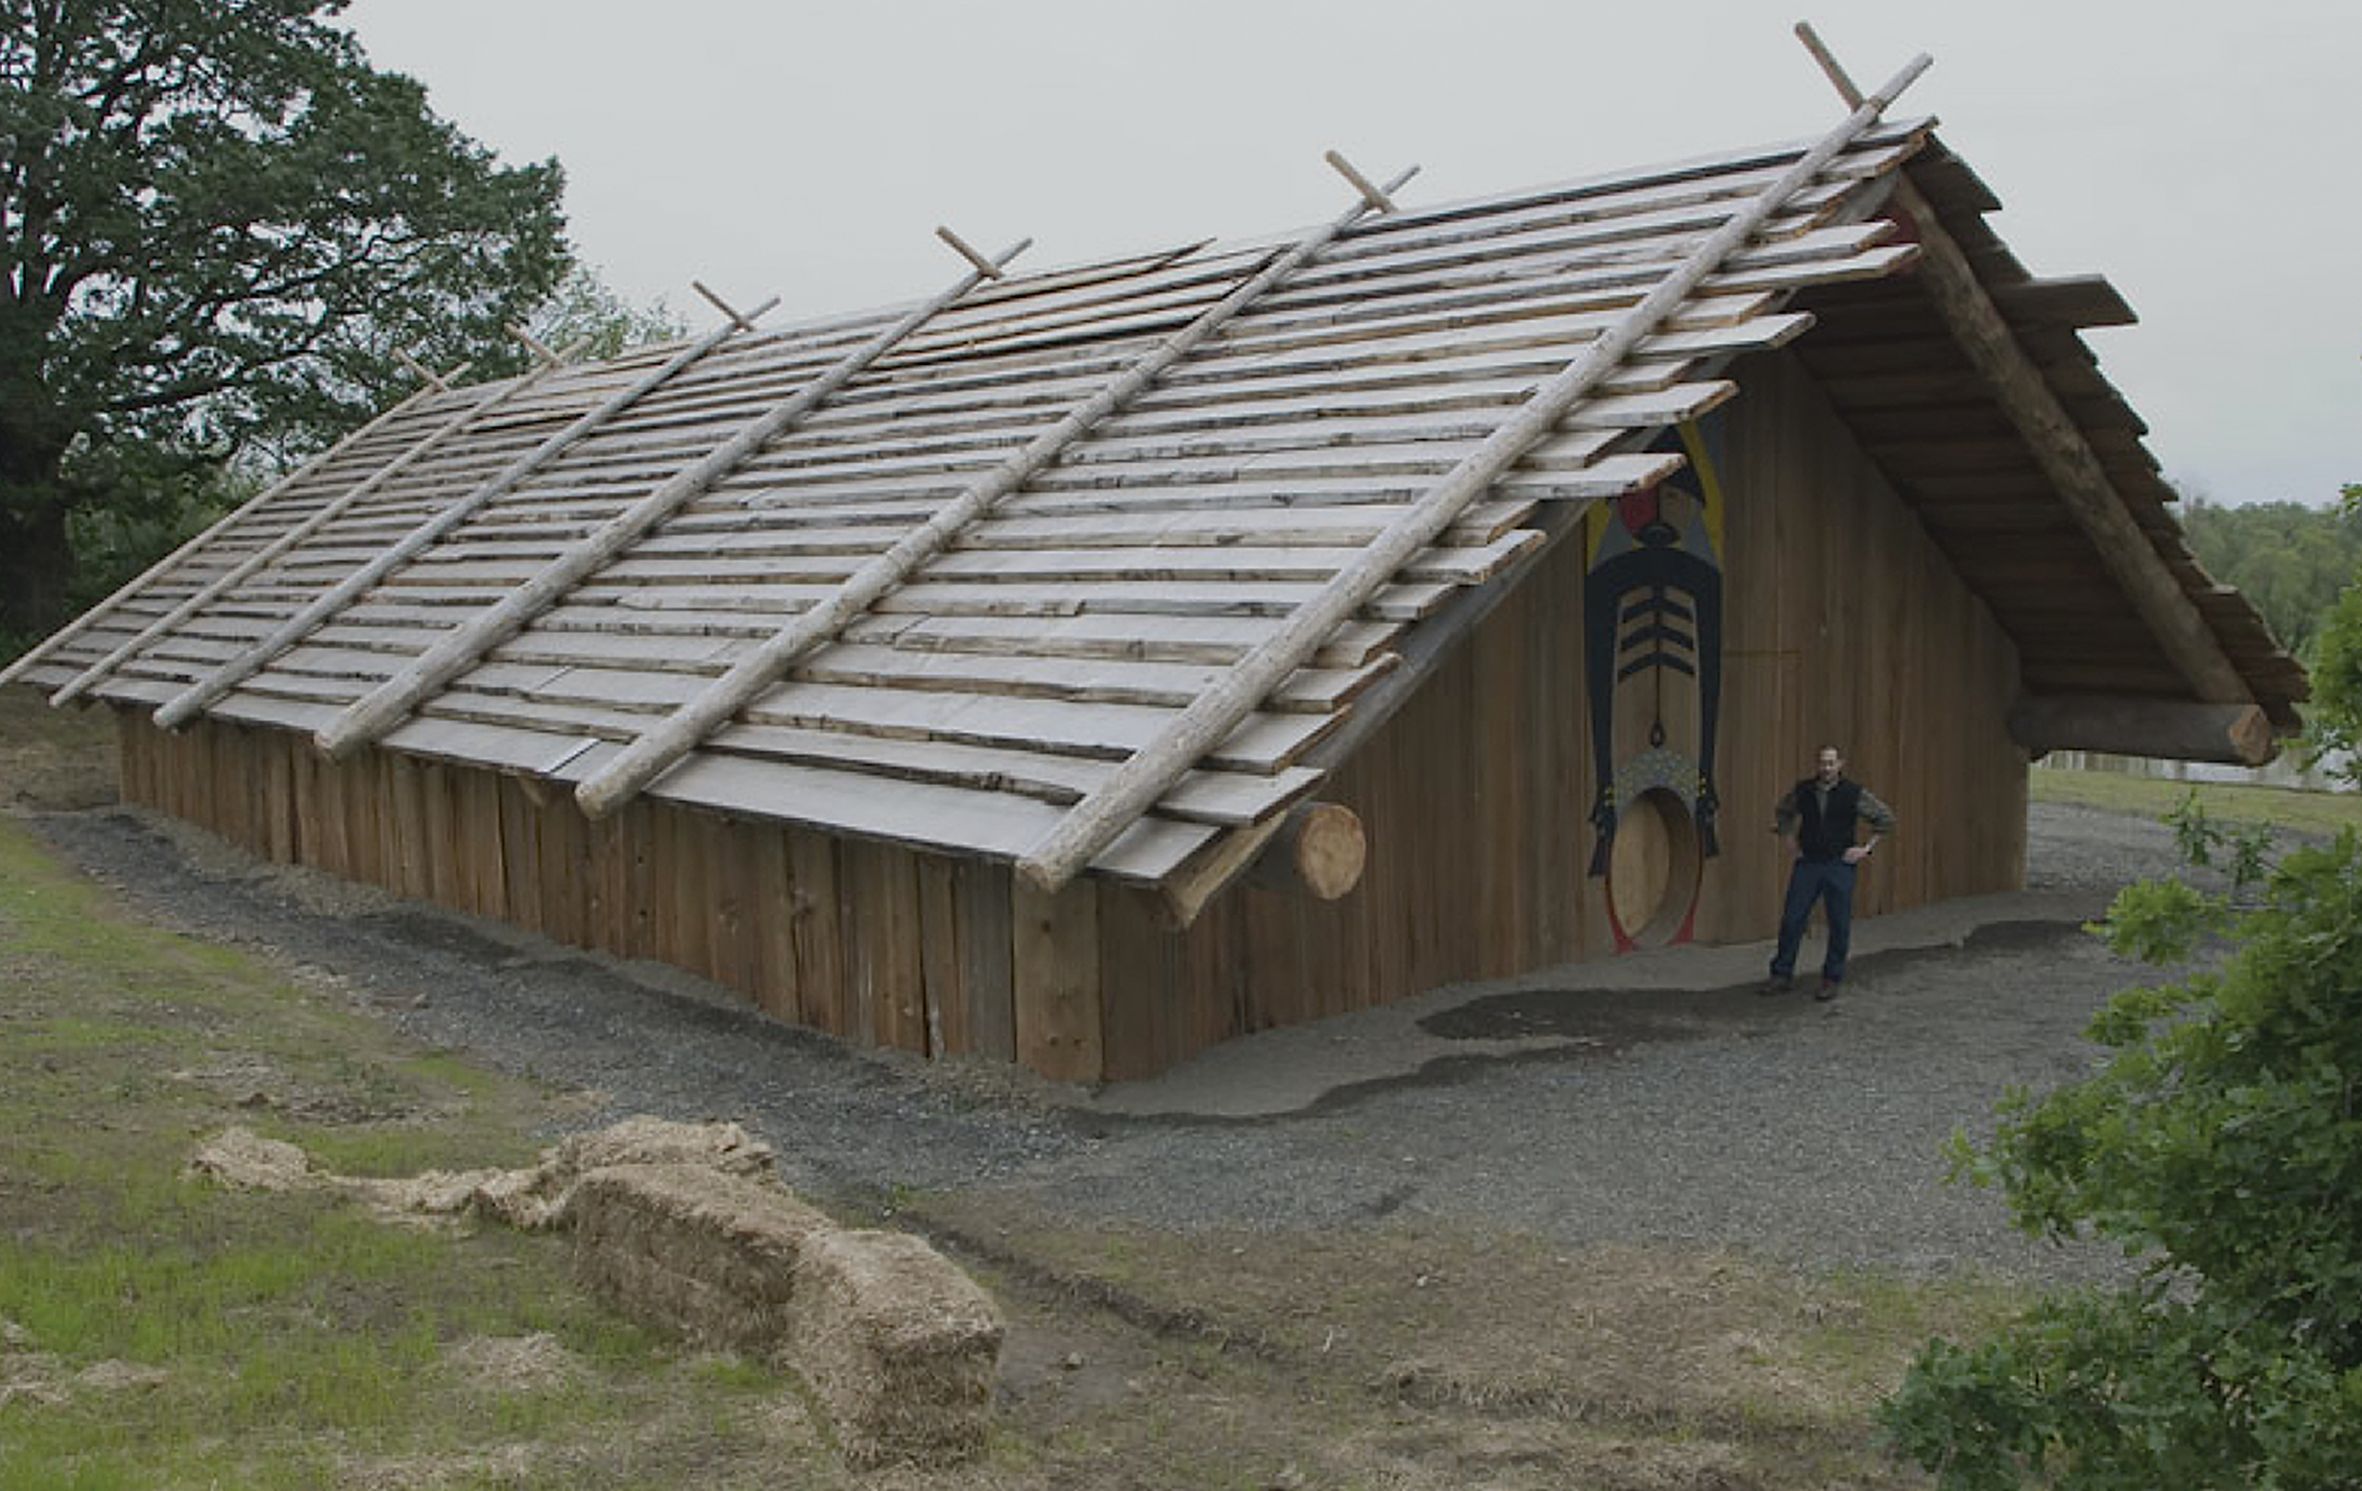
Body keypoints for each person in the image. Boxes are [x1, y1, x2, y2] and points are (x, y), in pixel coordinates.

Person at [1762, 744, 1895, 1000]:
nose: (1826, 768)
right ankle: (1781, 974)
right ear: (1817, 764)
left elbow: (1885, 818)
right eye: (1822, 763)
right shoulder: (1804, 790)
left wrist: (1866, 848)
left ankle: (1831, 978)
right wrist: (1788, 837)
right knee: (1792, 918)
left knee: (1839, 922)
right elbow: (1783, 812)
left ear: (1840, 764)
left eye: (1831, 763)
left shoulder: (1853, 793)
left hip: (1838, 863)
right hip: (1809, 862)